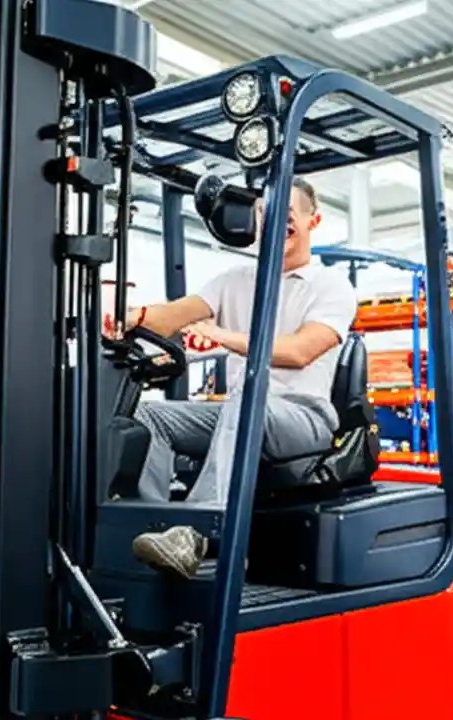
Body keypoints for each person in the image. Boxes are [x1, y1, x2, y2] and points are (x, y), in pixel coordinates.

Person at [121, 177, 358, 578]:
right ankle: (153, 532)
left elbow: (300, 351)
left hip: (306, 418)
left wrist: (220, 336)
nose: (273, 224)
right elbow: (172, 315)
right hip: (246, 412)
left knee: (245, 402)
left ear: (313, 221)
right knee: (149, 416)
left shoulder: (331, 285)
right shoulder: (235, 280)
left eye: (287, 215)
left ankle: (198, 534)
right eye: (264, 216)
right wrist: (127, 317)